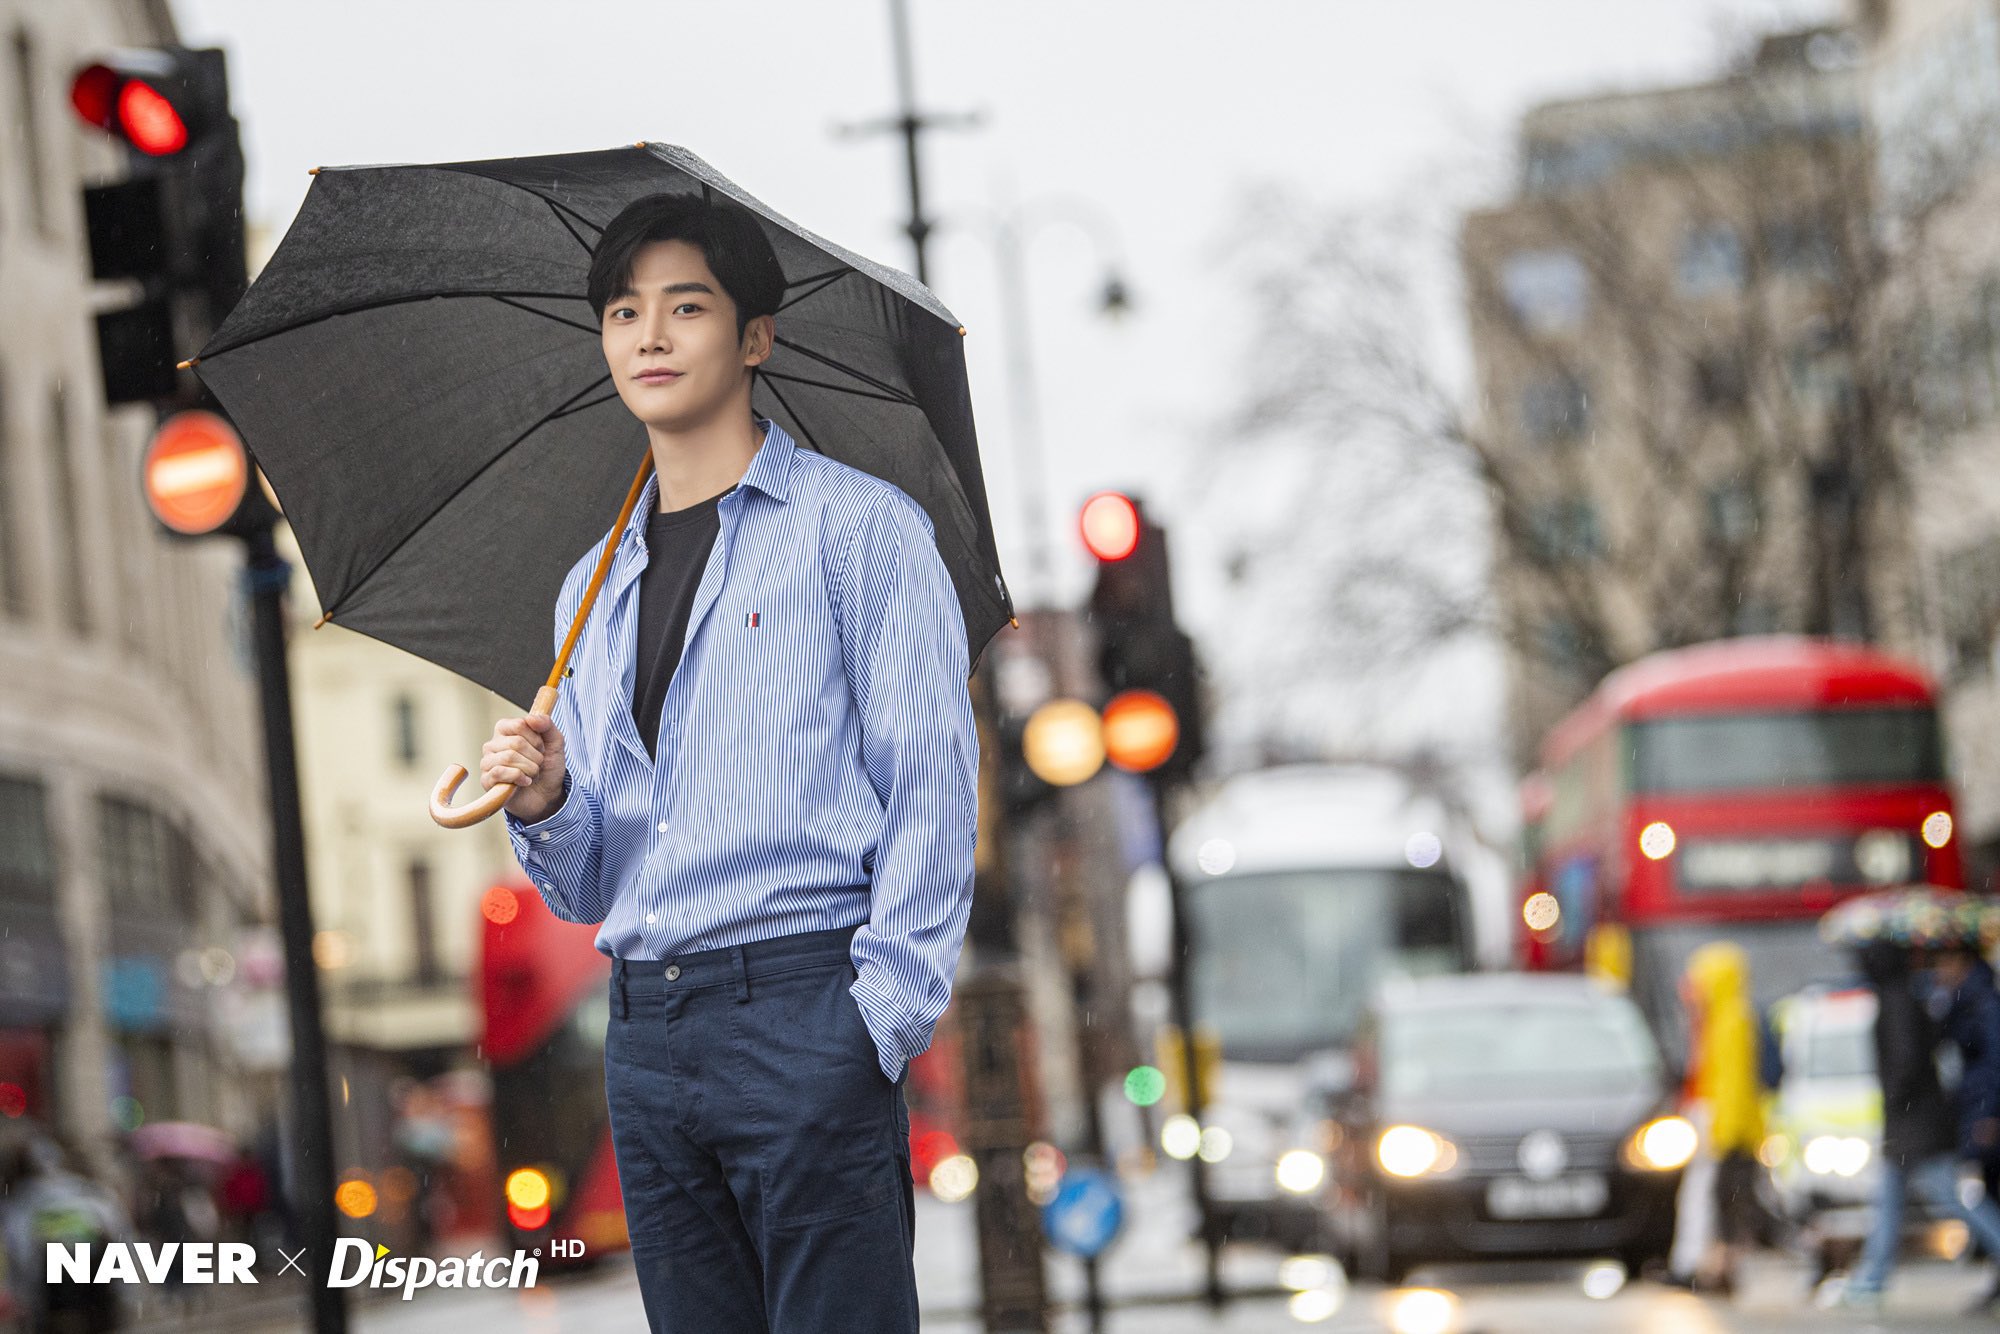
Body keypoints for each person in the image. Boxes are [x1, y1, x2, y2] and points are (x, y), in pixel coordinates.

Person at [479, 194, 976, 1334]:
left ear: (754, 335)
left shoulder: (859, 530)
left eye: (684, 306)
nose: (647, 335)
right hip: (647, 1034)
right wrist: (551, 801)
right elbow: (593, 880)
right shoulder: (587, 589)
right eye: (621, 311)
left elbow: (933, 786)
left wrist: (877, 1016)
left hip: (808, 1004)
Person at [1840, 939, 2000, 1309]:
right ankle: (1872, 1275)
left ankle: (1872, 1276)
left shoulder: (1904, 1000)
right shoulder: (1919, 997)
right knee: (1894, 1199)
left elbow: (1913, 1063)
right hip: (1918, 1122)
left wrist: (1987, 1112)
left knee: (1953, 1197)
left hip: (1916, 1124)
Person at [1666, 941, 1766, 1294]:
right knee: (1704, 1193)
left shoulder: (1731, 1020)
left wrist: (1729, 1128)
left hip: (1717, 1121)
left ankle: (1696, 1263)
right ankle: (1697, 1262)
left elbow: (1735, 1082)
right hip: (1711, 1117)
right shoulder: (1714, 1018)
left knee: (1706, 1193)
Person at [1930, 943, 2000, 1310]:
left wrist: (1990, 1114)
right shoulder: (1964, 999)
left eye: (1945, 960)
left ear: (1963, 962)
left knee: (1990, 1190)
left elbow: (1993, 1062)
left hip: (1986, 1111)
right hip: (1976, 1108)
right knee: (1989, 1187)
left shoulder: (1983, 1002)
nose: (1940, 969)